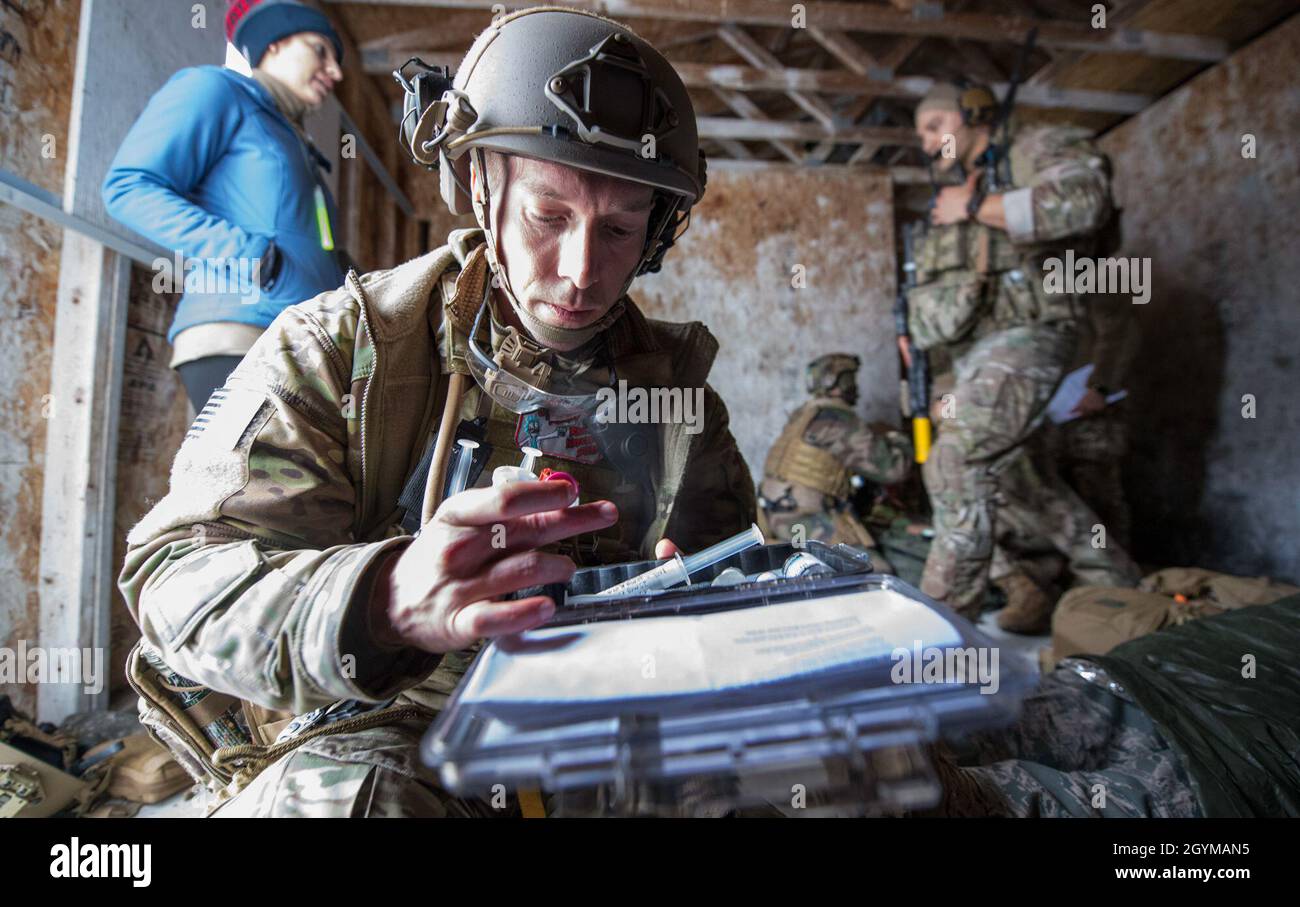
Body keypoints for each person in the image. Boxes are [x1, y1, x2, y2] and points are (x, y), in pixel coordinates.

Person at [117, 7, 756, 818]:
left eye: (620, 228)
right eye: (547, 216)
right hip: (386, 727)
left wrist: (703, 622)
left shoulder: (680, 400)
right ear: (482, 187)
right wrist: (382, 599)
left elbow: (732, 589)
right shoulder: (344, 346)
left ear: (658, 233)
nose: (580, 270)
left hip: (602, 728)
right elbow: (175, 582)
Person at [899, 81, 1139, 628]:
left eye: (936, 126)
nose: (928, 141)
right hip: (978, 355)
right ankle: (1116, 580)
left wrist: (977, 206)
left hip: (1036, 333)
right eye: (921, 134)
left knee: (957, 462)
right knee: (1021, 480)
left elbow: (1084, 201)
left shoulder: (1034, 149)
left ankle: (940, 633)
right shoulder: (958, 195)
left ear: (973, 113)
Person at [102, 0, 347, 412]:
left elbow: (310, 239)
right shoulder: (216, 90)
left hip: (297, 342)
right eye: (320, 50)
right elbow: (128, 188)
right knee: (254, 479)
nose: (335, 72)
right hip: (241, 335)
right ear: (274, 45)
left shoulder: (296, 143)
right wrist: (252, 258)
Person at [758, 353, 912, 573]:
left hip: (772, 516)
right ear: (843, 382)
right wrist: (899, 439)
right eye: (851, 379)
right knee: (875, 571)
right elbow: (895, 469)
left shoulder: (804, 414)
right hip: (804, 520)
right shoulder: (837, 419)